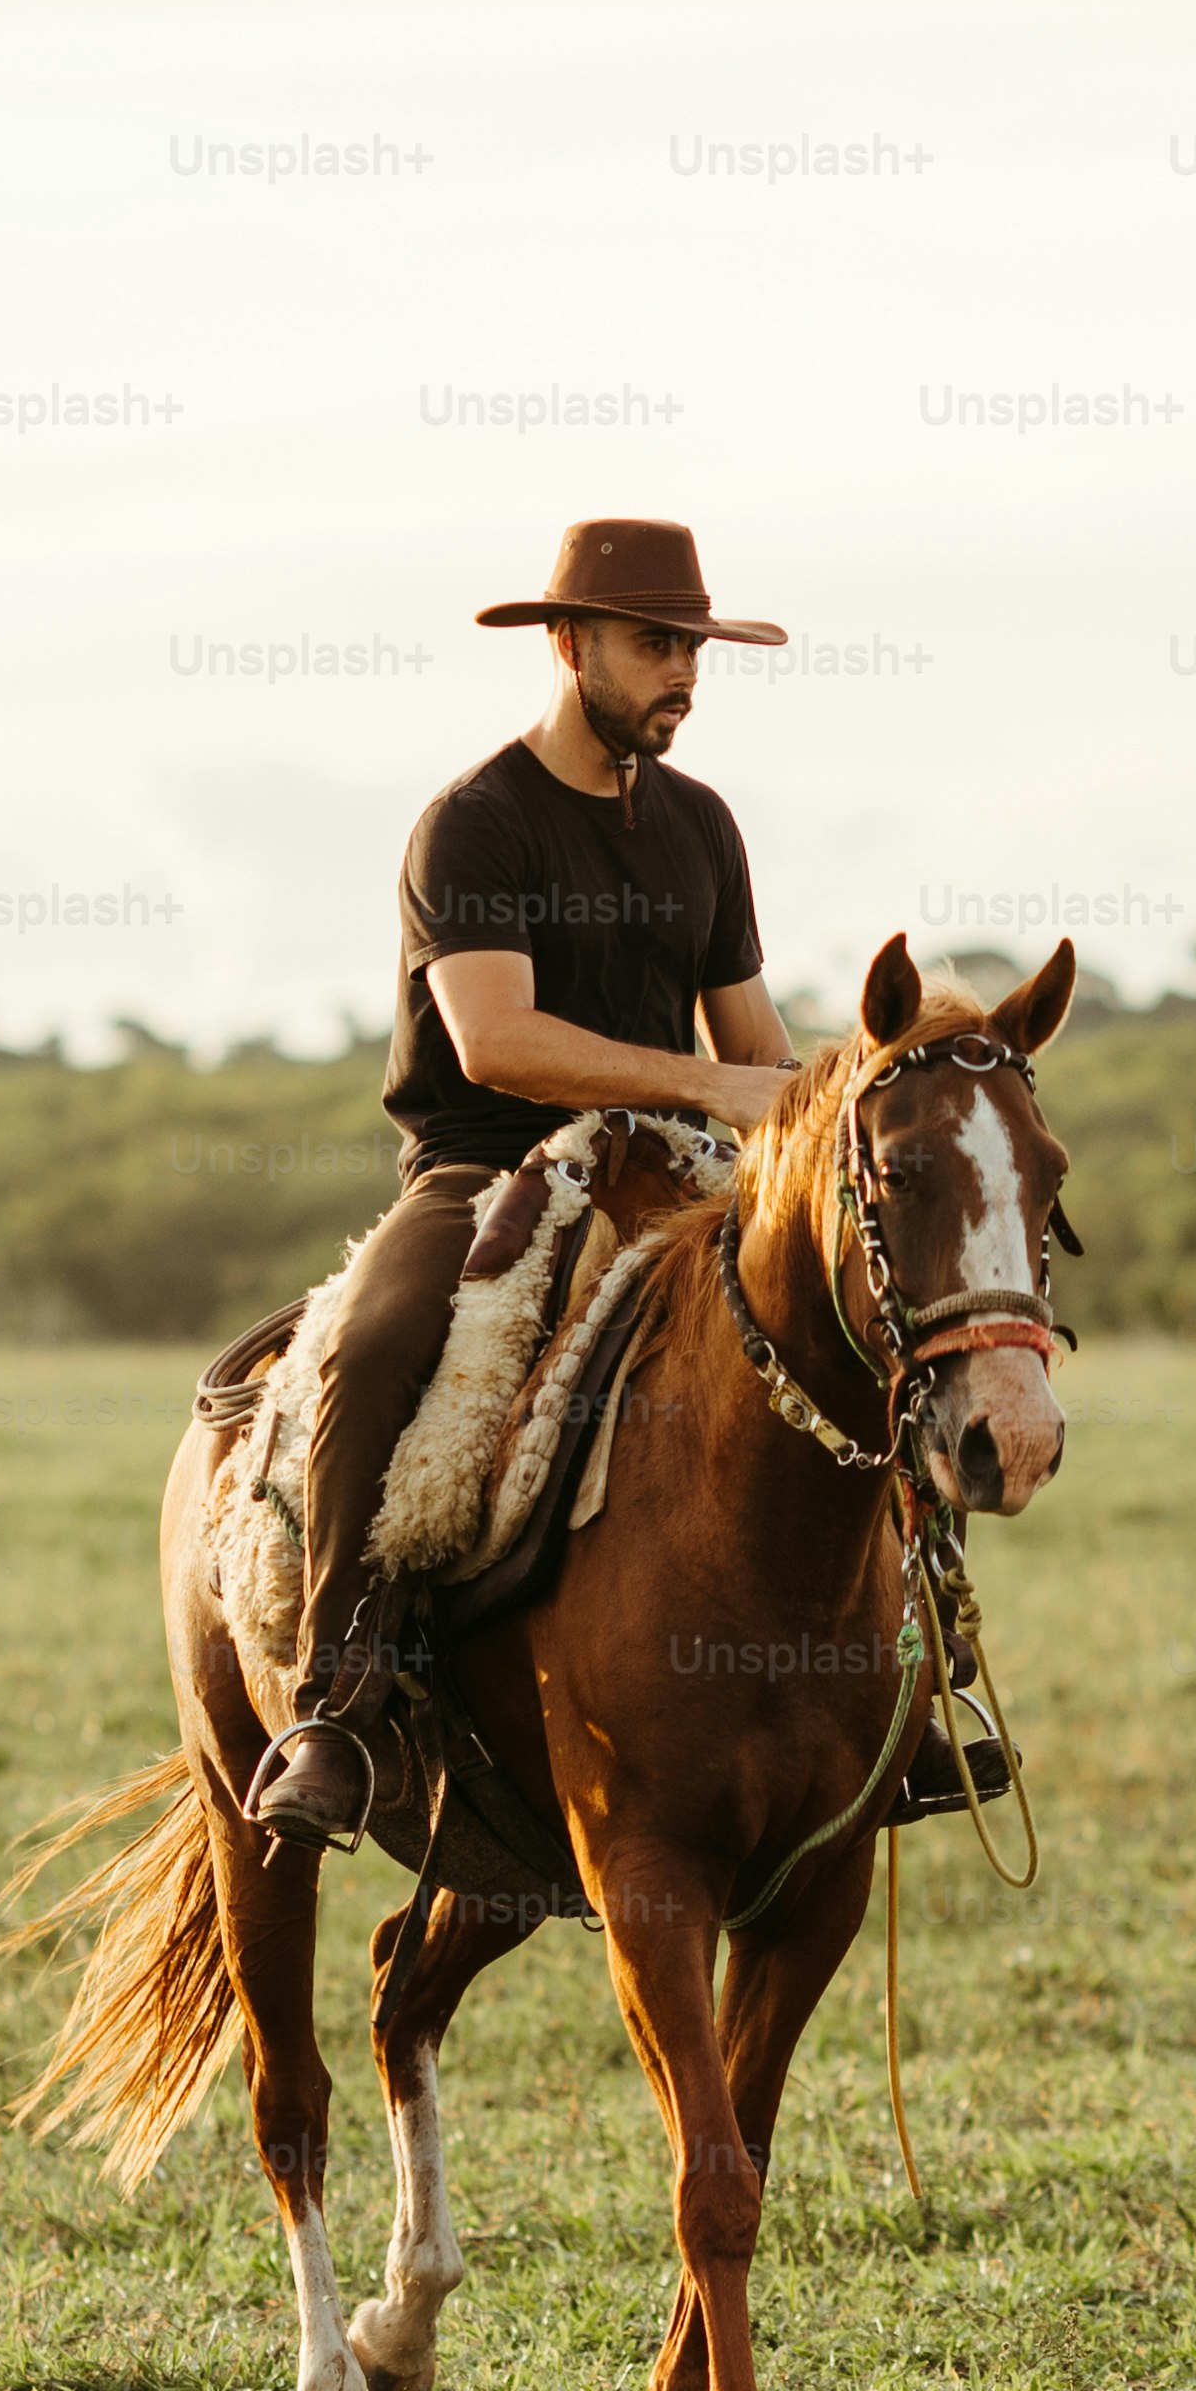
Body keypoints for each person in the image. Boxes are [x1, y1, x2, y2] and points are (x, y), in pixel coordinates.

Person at [242, 519, 806, 1847]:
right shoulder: (474, 824)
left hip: (675, 1174)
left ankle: (901, 1676)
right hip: (487, 1170)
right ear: (567, 644)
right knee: (377, 1340)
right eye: (654, 645)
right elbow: (495, 1040)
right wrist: (708, 1083)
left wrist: (819, 1106)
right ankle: (334, 1703)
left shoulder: (702, 826)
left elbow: (754, 1043)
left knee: (844, 1324)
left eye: (694, 649)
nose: (683, 673)